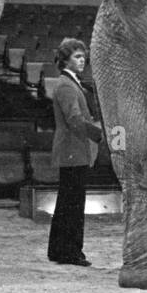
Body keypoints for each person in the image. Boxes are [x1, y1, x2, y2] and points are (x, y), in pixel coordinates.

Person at [46, 38, 103, 266]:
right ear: (65, 60)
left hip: (74, 149)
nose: (82, 60)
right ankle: (70, 252)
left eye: (83, 56)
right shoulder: (67, 85)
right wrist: (97, 133)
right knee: (72, 204)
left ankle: (60, 250)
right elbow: (74, 119)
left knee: (68, 203)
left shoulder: (70, 83)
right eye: (77, 57)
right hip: (73, 149)